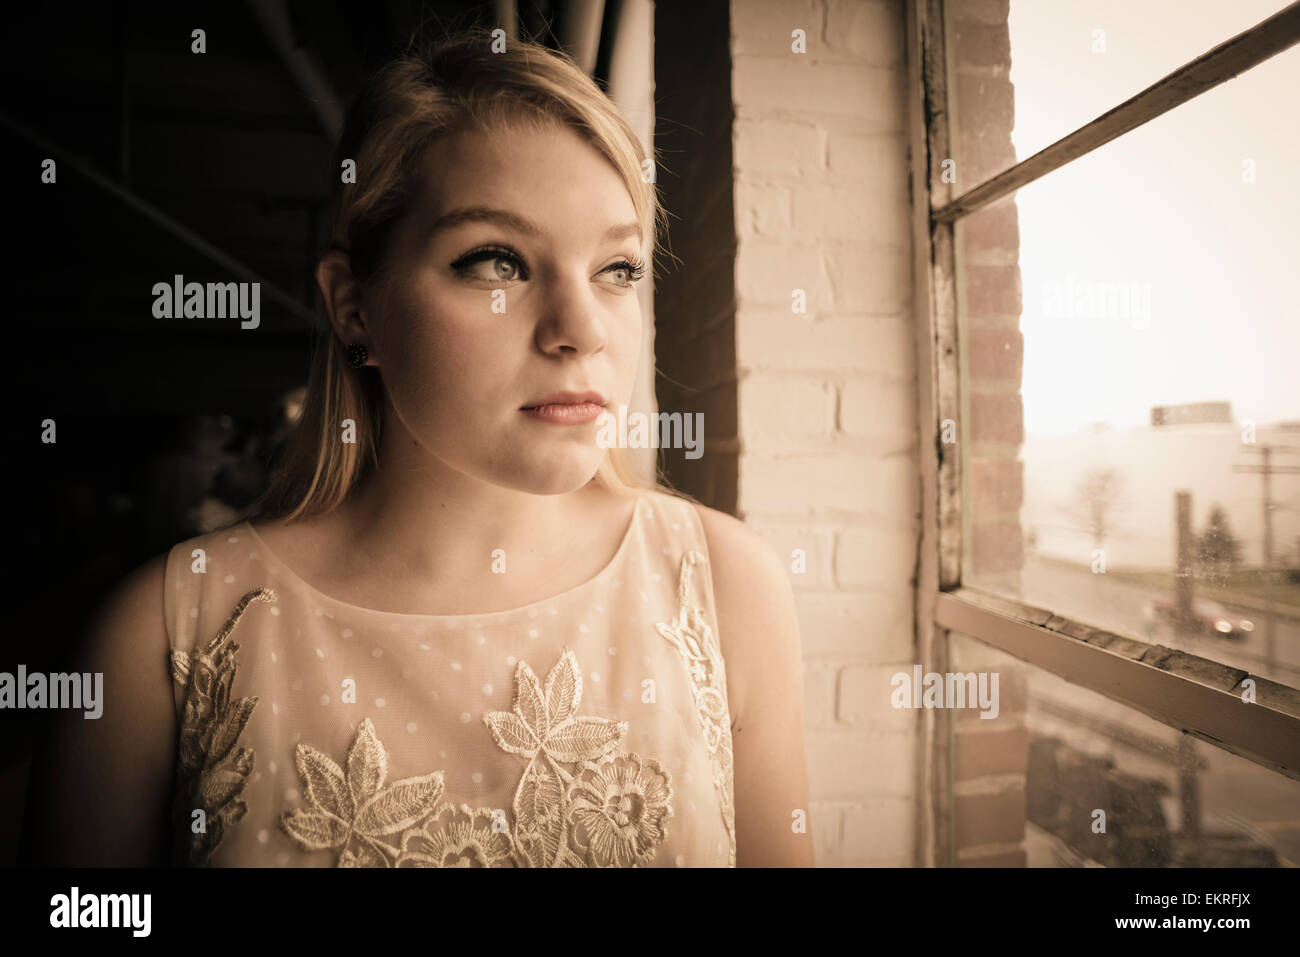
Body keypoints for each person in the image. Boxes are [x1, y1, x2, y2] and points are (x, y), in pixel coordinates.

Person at [23, 27, 813, 868]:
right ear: (354, 304)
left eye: (617, 268)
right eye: (496, 261)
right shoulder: (163, 637)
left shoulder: (725, 590)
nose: (583, 329)